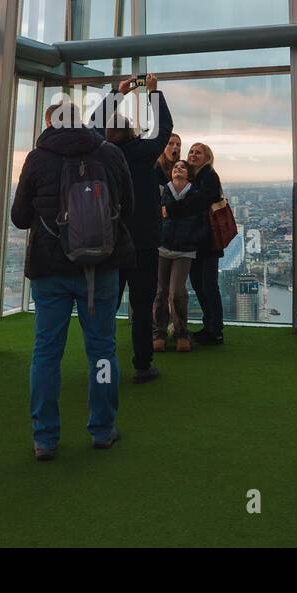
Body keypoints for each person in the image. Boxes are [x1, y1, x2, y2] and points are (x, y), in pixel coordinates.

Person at [11, 101, 134, 461]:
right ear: (80, 120)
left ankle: (45, 438)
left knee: (46, 354)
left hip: (51, 269)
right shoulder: (110, 153)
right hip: (102, 266)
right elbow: (127, 205)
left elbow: (20, 218)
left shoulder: (38, 158)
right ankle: (102, 429)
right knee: (101, 351)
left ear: (49, 122)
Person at [91, 73, 172, 384]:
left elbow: (92, 127)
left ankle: (103, 364)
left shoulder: (101, 154)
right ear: (133, 131)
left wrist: (118, 94)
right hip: (144, 242)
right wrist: (153, 93)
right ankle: (142, 364)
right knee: (141, 305)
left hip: (110, 241)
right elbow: (164, 129)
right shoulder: (144, 153)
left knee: (107, 306)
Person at [156, 159, 207, 352]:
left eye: (182, 167)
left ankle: (181, 332)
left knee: (177, 292)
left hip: (185, 250)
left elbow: (203, 223)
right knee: (160, 292)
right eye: (176, 166)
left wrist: (192, 239)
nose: (178, 168)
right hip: (162, 247)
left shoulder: (195, 194)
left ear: (188, 174)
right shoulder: (162, 192)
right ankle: (158, 332)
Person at [185, 142, 226, 345]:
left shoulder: (208, 176)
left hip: (208, 241)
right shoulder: (195, 176)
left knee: (208, 284)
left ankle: (215, 329)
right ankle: (209, 324)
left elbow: (200, 202)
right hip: (198, 240)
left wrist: (175, 207)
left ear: (207, 157)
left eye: (198, 152)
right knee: (199, 283)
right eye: (191, 151)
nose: (193, 155)